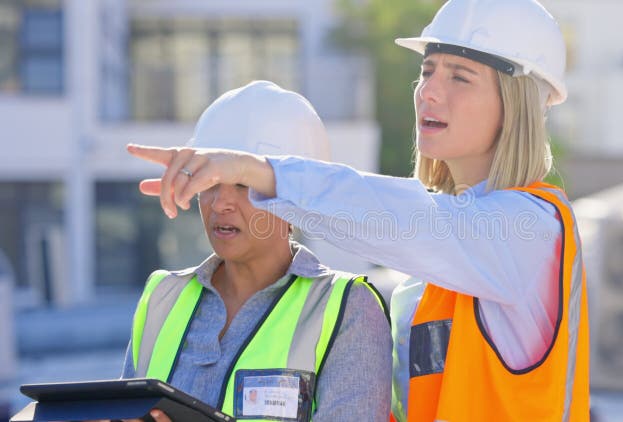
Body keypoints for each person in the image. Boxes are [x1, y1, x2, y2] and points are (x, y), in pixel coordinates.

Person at [128, 0, 590, 420]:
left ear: (516, 104)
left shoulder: (532, 231)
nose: (428, 91)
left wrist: (260, 171)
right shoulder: (430, 280)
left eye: (459, 76)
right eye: (428, 70)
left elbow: (400, 218)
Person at [121, 81, 392, 422]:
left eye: (243, 184)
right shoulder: (161, 297)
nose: (220, 203)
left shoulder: (349, 309)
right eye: (210, 183)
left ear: (295, 196)